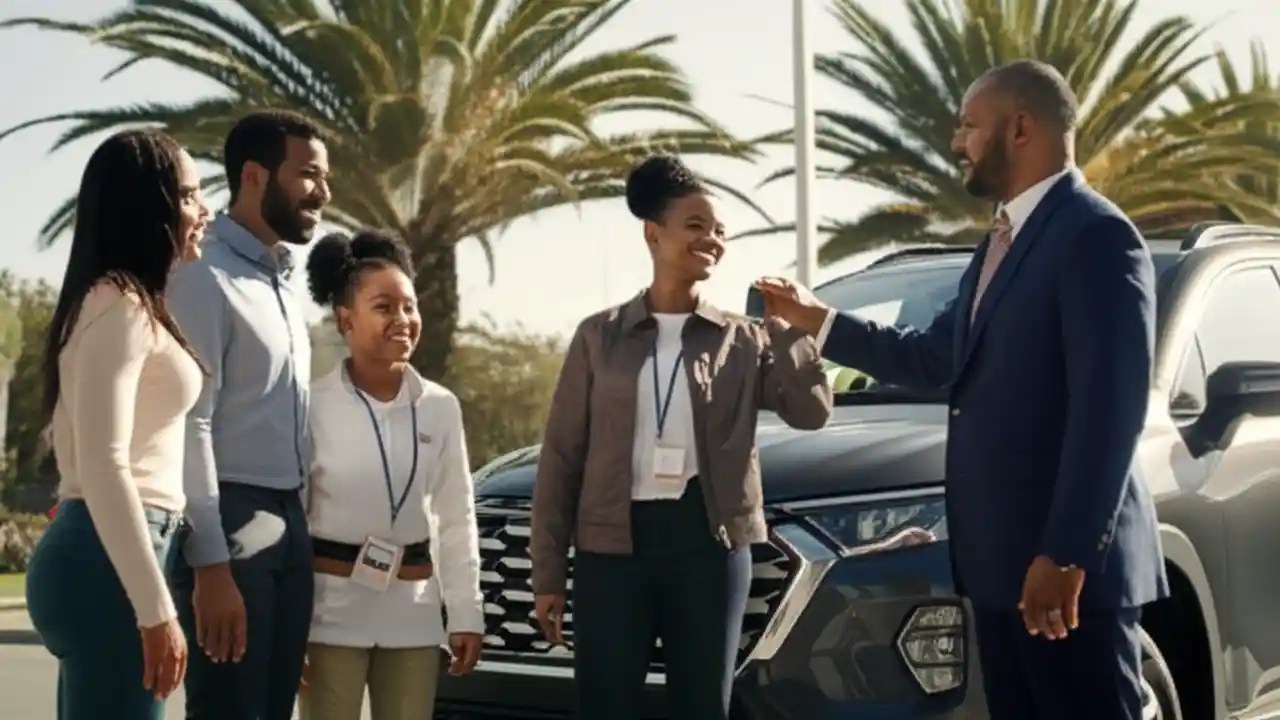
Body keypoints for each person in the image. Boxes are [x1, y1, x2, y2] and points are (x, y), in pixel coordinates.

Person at [756, 59, 1168, 720]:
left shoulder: (1095, 236)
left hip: (1064, 579)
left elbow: (1109, 413)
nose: (957, 143)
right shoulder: (1001, 243)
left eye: (970, 126)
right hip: (1003, 571)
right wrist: (815, 319)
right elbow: (931, 358)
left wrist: (1064, 553)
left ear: (1022, 128)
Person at [529, 155, 833, 720]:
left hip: (708, 545)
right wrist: (547, 573)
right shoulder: (598, 336)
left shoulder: (743, 340)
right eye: (696, 226)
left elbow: (812, 413)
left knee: (702, 706)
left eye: (720, 232)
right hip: (610, 548)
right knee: (606, 705)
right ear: (653, 233)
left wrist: (790, 333)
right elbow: (562, 457)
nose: (712, 240)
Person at [25, 128, 211, 719]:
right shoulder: (118, 304)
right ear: (146, 207)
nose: (203, 211)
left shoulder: (126, 304)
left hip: (116, 555)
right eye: (187, 196)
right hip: (108, 562)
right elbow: (104, 464)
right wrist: (155, 610)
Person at [166, 109, 331, 719]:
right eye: (309, 174)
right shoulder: (201, 274)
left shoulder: (285, 282)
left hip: (289, 519)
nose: (324, 192)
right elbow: (191, 421)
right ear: (257, 176)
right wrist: (209, 562)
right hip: (230, 516)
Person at [295, 230, 485, 720]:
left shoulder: (441, 407)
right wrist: (290, 628)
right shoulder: (311, 407)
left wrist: (466, 613)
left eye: (409, 306)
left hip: (414, 619)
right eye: (384, 307)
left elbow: (456, 515)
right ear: (345, 321)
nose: (402, 320)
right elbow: (293, 518)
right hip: (329, 618)